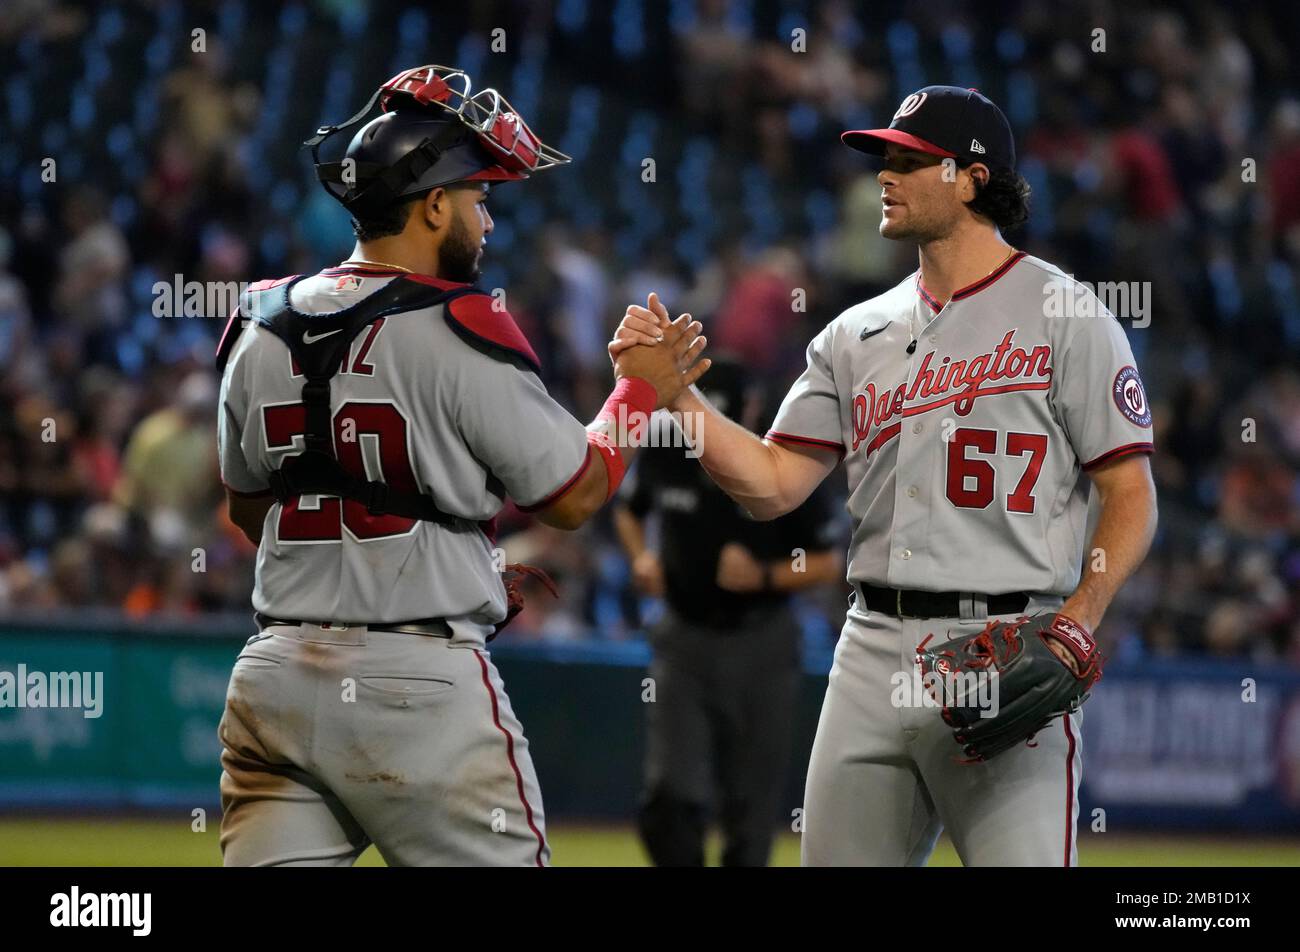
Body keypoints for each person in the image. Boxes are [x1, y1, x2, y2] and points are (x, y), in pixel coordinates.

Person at [612, 86, 1158, 866]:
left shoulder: (1068, 314)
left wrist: (1082, 614)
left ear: (971, 178)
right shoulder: (854, 331)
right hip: (869, 650)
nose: (885, 175)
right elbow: (772, 484)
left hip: (1006, 643)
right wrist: (679, 398)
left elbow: (1131, 493)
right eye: (884, 159)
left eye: (910, 160)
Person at [213, 65, 708, 866]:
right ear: (434, 202)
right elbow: (576, 493)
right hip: (415, 682)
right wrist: (638, 391)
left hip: (271, 677)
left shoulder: (257, 319)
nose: (487, 221)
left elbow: (248, 512)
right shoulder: (461, 320)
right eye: (479, 199)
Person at [614, 357, 840, 866]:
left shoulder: (777, 459)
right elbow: (629, 509)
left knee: (749, 807)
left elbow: (827, 562)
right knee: (669, 794)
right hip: (682, 636)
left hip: (760, 640)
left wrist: (763, 575)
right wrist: (642, 557)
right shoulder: (666, 448)